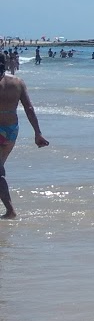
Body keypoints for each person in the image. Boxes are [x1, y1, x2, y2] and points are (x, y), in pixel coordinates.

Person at [0, 70, 50, 218]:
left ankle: (10, 210)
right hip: (10, 131)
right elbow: (29, 108)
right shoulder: (18, 82)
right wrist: (38, 132)